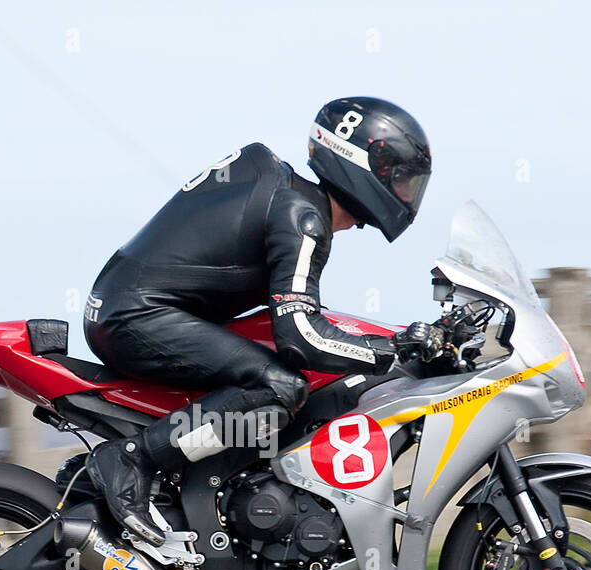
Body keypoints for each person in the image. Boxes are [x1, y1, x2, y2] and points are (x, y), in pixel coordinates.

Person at [83, 96, 434, 546]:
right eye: (403, 180)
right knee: (280, 386)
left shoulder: (290, 198)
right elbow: (301, 337)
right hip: (138, 317)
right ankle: (132, 459)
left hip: (133, 310)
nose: (407, 194)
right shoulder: (303, 218)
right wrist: (393, 350)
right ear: (367, 166)